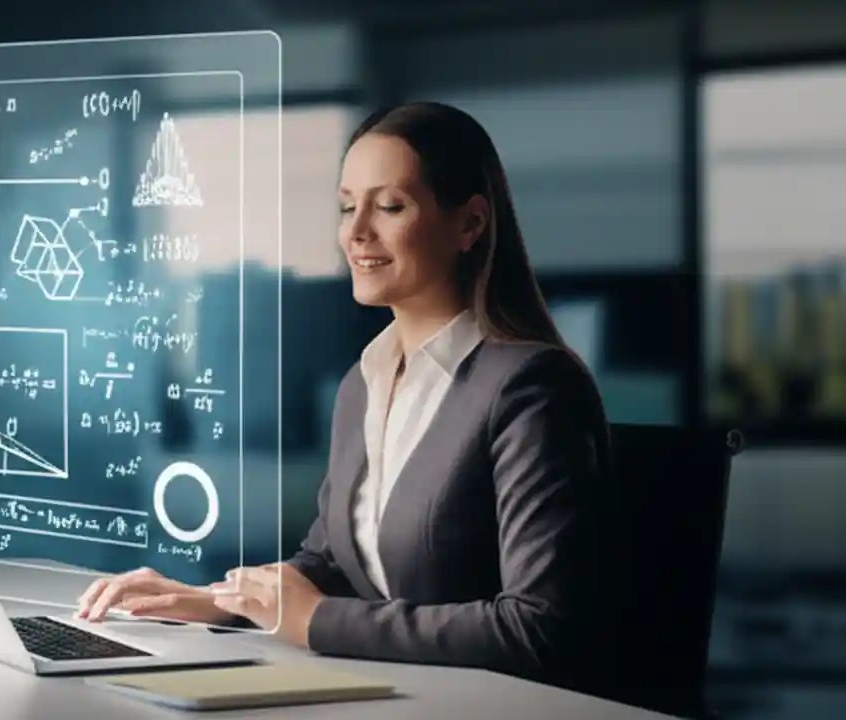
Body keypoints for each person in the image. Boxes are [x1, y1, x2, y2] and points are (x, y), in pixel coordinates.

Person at [75, 101, 614, 692]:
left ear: (470, 224)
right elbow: (329, 563)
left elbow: (538, 626)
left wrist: (317, 622)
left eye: (389, 206)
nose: (356, 231)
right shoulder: (363, 382)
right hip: (386, 690)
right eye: (346, 205)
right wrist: (216, 600)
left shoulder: (532, 387)